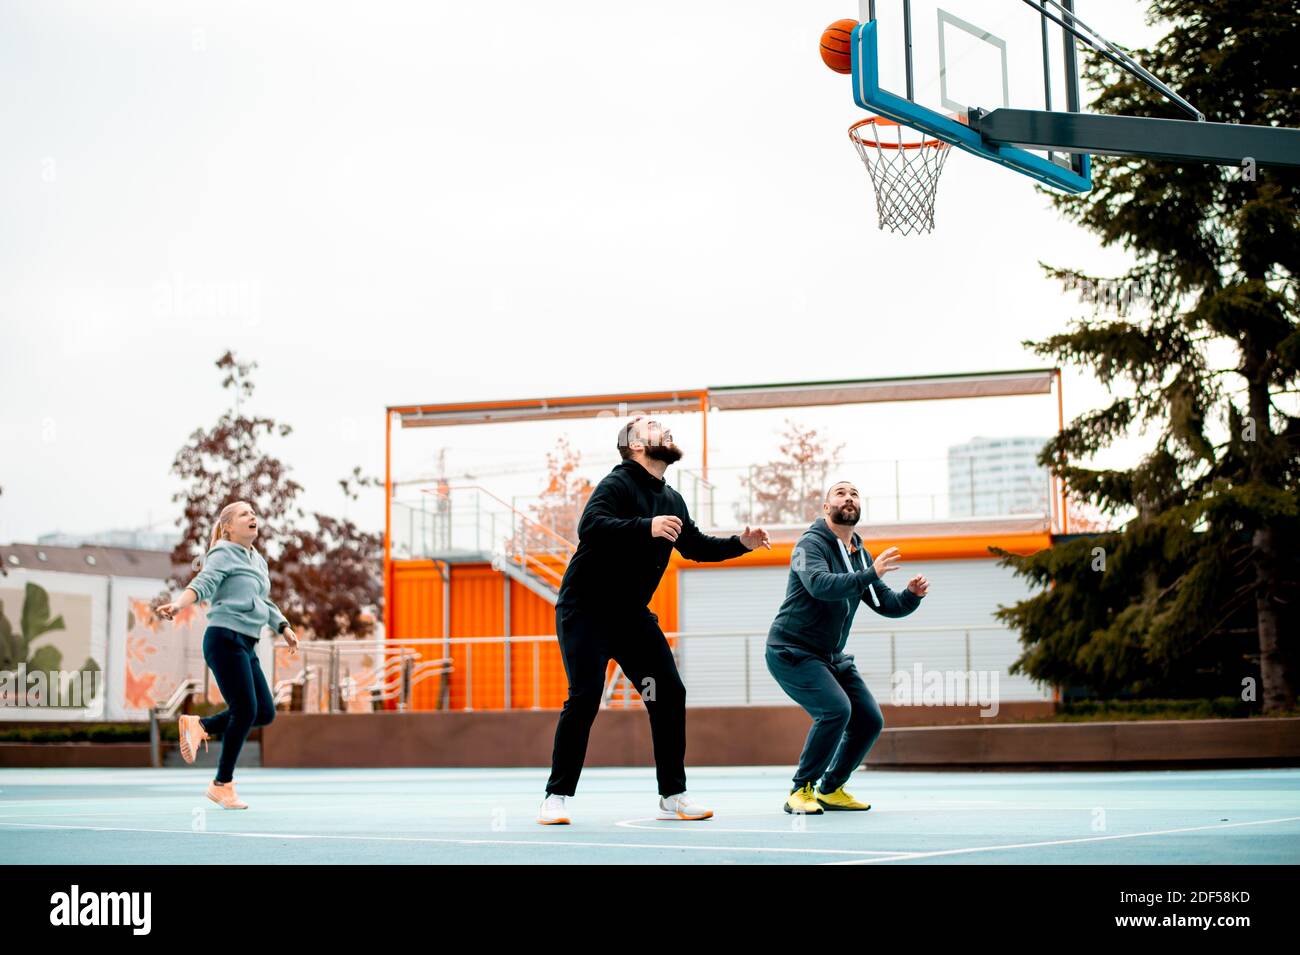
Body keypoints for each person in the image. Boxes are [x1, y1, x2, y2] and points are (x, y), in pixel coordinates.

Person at [538, 416, 771, 825]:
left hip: (631, 619)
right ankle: (555, 797)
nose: (663, 429)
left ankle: (672, 795)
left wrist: (741, 544)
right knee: (586, 696)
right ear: (634, 445)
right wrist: (646, 527)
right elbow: (590, 527)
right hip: (585, 611)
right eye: (651, 426)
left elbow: (696, 547)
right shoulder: (617, 483)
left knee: (667, 694)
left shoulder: (673, 500)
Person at [765, 480, 929, 814]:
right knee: (835, 710)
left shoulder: (859, 554)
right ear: (826, 507)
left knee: (869, 720)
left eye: (854, 493)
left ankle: (831, 788)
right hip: (791, 650)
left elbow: (886, 603)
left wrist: (911, 596)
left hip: (831, 656)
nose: (848, 497)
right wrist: (870, 574)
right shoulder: (809, 545)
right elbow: (820, 585)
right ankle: (801, 790)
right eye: (840, 493)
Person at [156, 500, 298, 810]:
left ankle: (201, 726)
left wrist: (283, 626)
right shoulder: (222, 552)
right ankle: (222, 784)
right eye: (245, 514)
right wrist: (179, 605)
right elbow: (203, 583)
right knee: (244, 710)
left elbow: (264, 602)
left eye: (254, 513)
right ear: (228, 527)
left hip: (246, 642)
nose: (253, 516)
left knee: (264, 712)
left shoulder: (258, 561)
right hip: (224, 638)